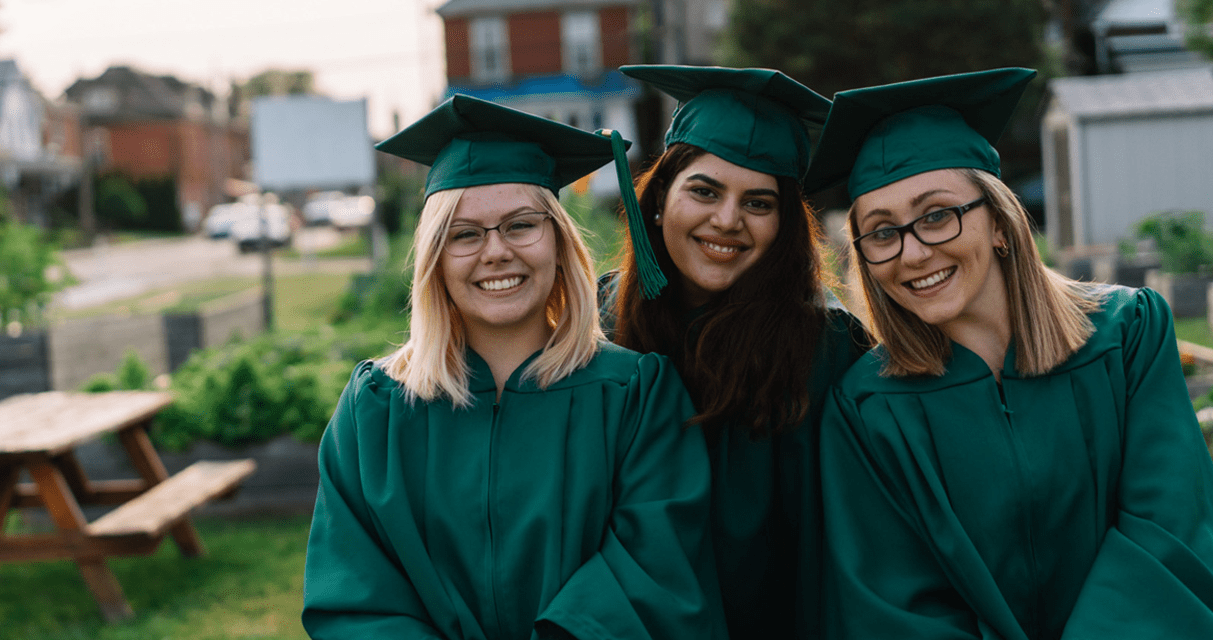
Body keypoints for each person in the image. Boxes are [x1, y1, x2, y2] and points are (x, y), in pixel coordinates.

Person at [803, 67, 1213, 638]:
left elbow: (1168, 530)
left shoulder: (1127, 333)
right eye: (881, 231)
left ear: (998, 221)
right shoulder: (867, 408)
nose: (914, 252)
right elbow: (892, 604)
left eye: (937, 215)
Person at [301, 95, 727, 640]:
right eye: (465, 234)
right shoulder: (376, 411)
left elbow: (653, 568)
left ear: (557, 242)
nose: (496, 252)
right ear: (435, 256)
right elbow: (356, 590)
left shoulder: (635, 396)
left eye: (521, 225)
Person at [600, 65, 873, 639]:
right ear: (658, 199)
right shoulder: (598, 325)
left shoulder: (829, 350)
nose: (727, 220)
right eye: (704, 191)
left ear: (784, 226)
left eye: (759, 202)